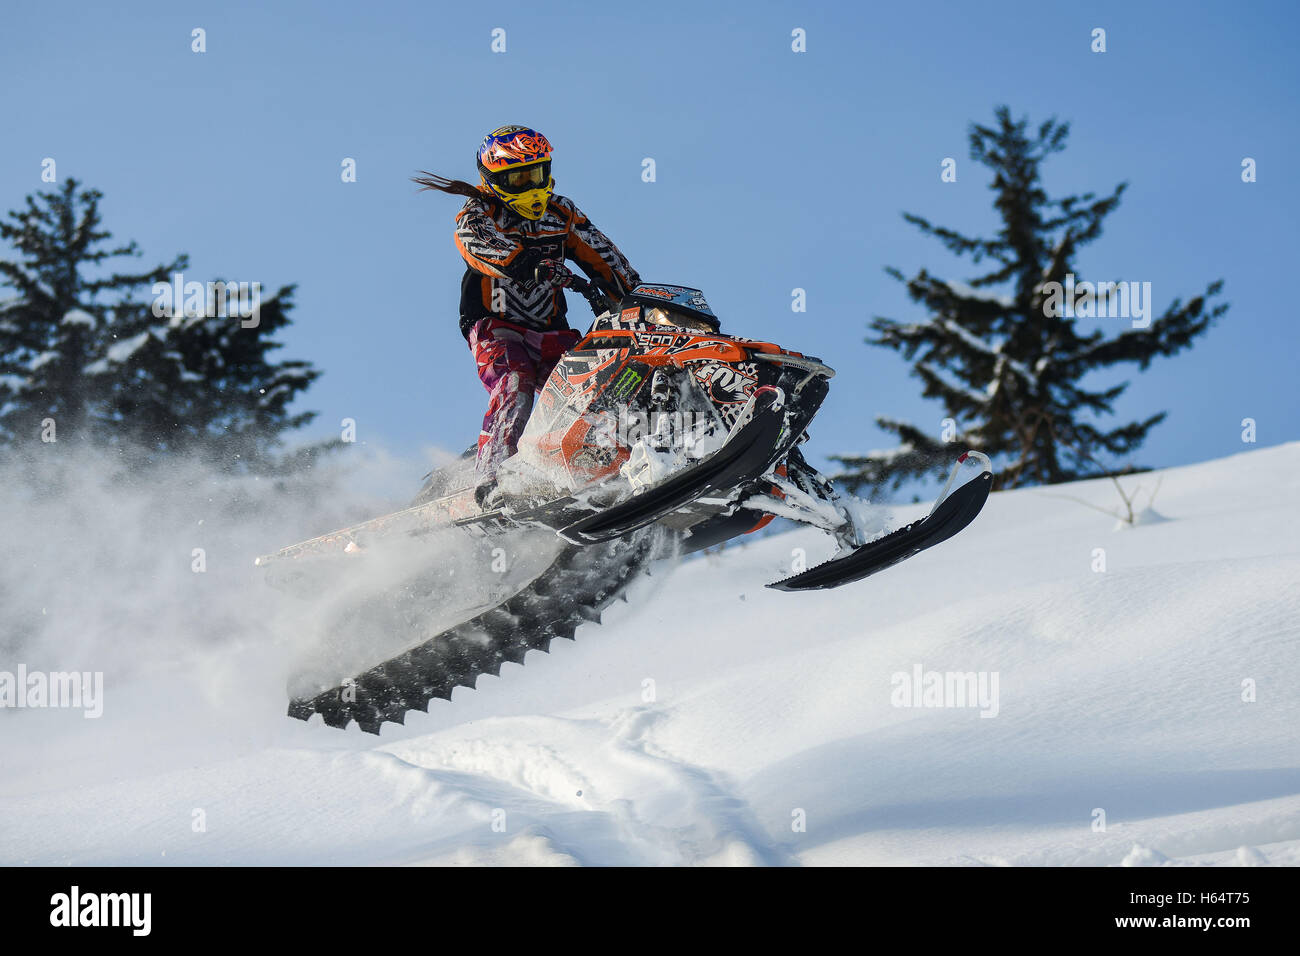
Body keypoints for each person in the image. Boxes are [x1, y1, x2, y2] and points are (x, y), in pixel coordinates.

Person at [413, 126, 641, 505]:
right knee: (514, 382)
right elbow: (477, 244)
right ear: (493, 180)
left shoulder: (561, 212)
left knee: (595, 384)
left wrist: (635, 297)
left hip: (553, 329)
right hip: (495, 326)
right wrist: (524, 261)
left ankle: (604, 461)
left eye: (535, 174)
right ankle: (493, 482)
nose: (530, 187)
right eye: (517, 178)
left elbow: (606, 257)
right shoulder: (479, 211)